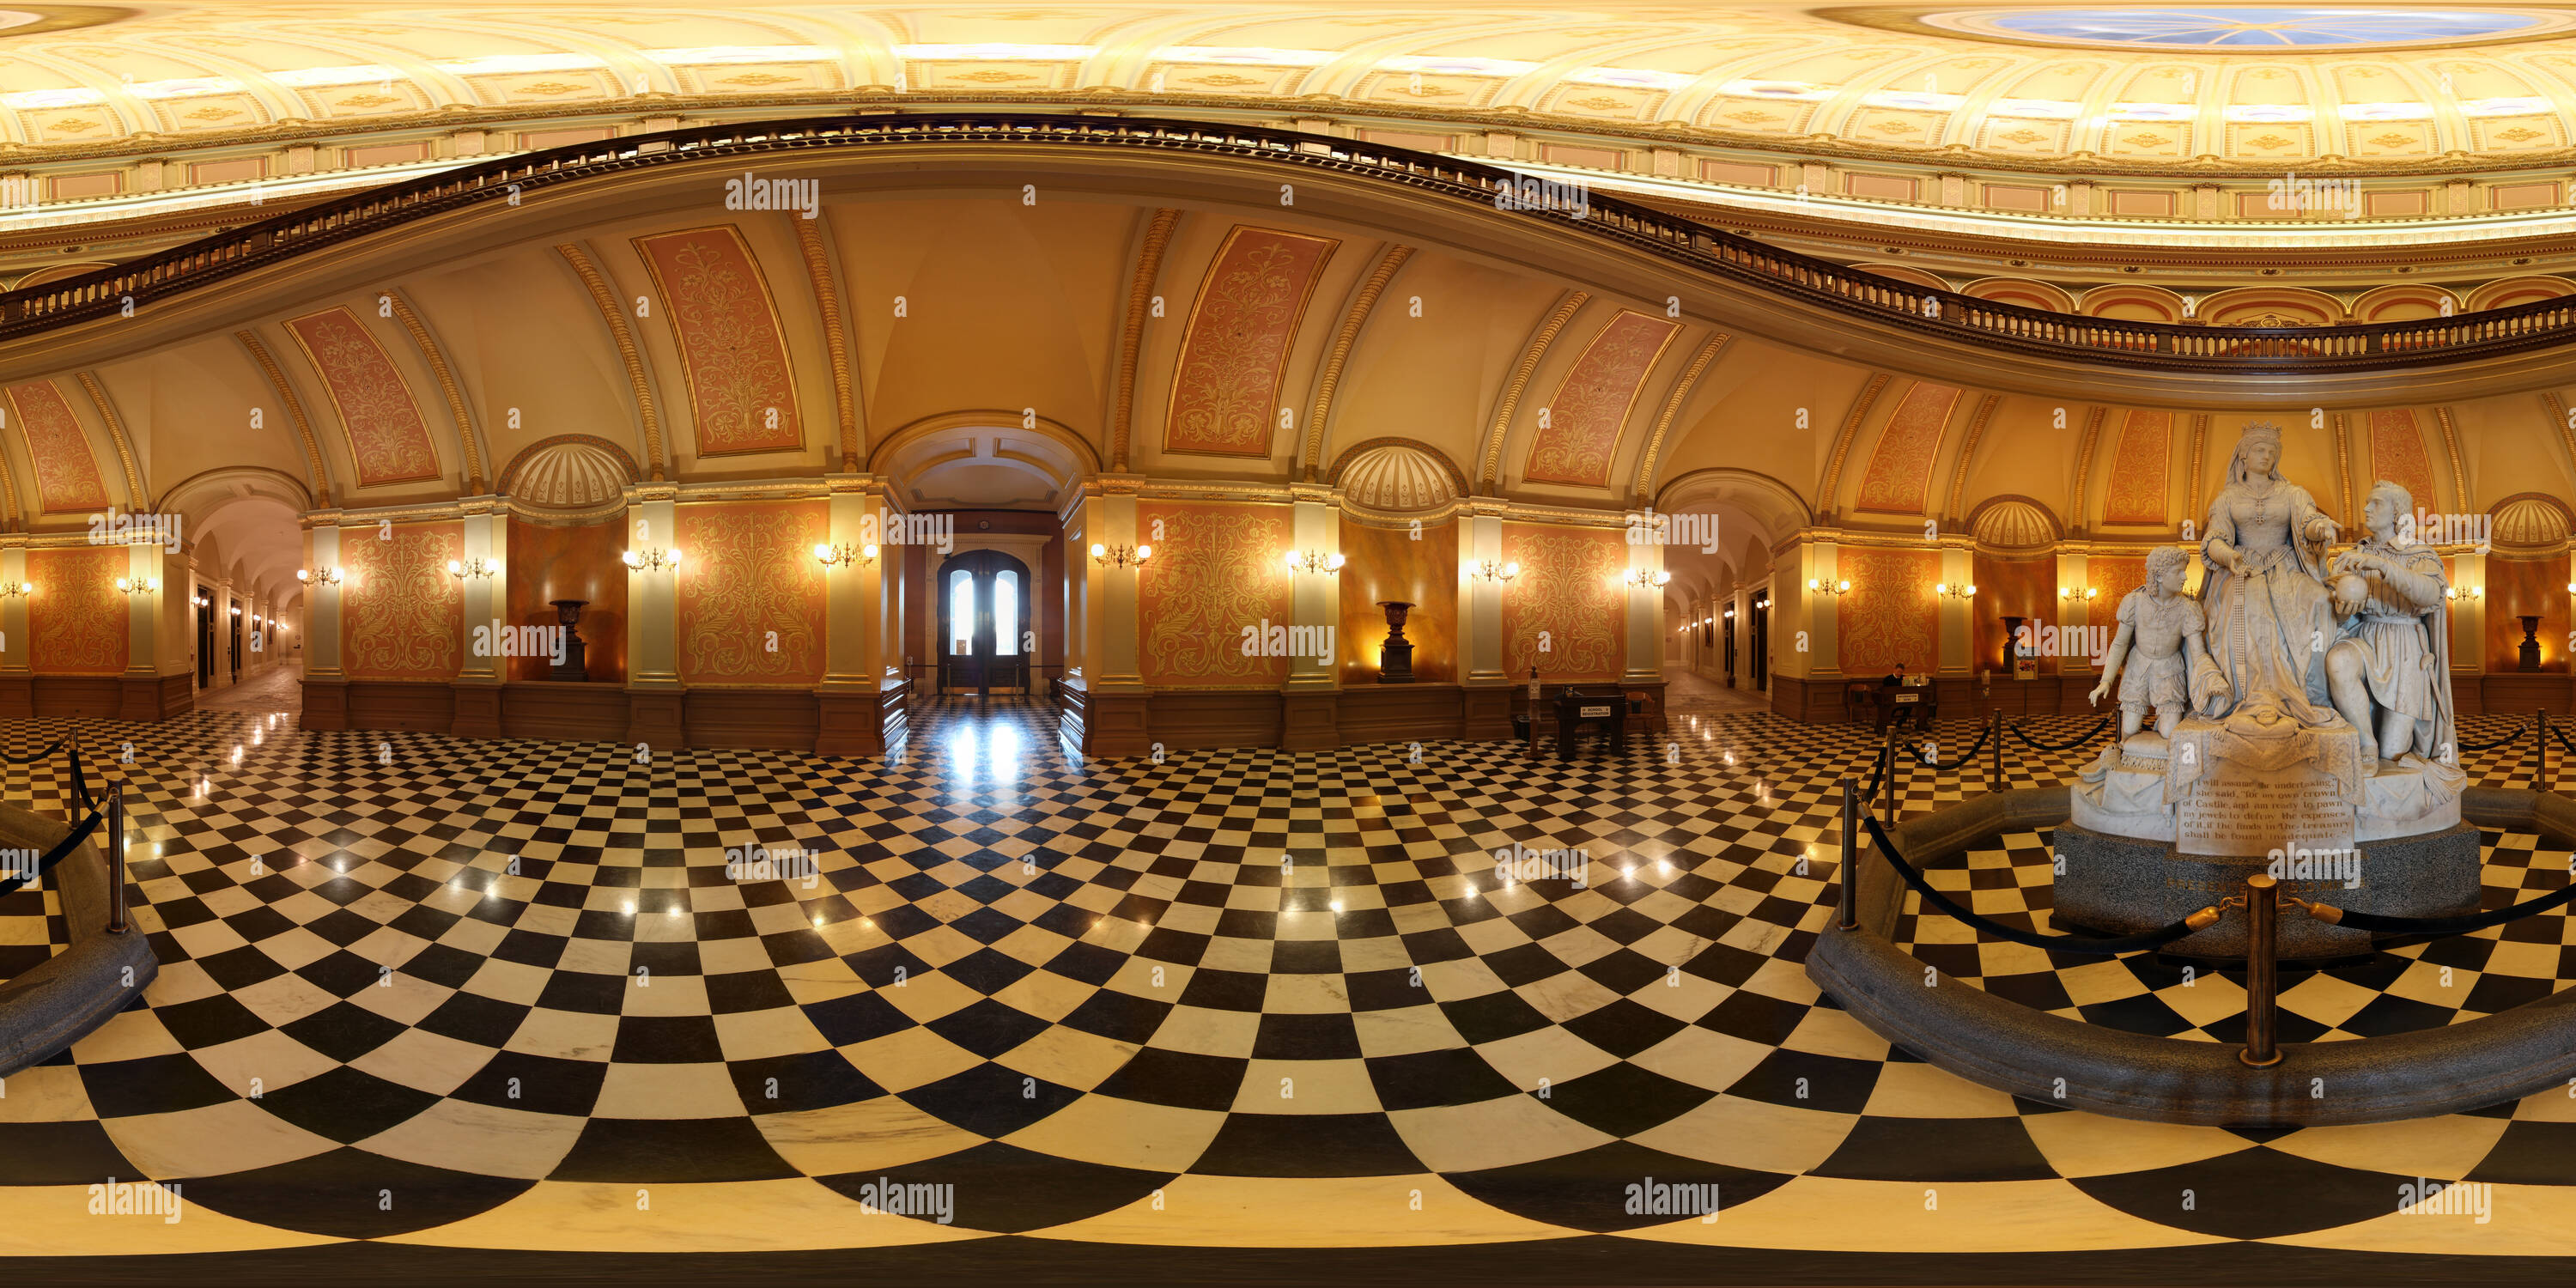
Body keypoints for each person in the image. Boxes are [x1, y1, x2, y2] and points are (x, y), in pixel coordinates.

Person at [2199, 421, 2340, 728]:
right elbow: (2214, 540)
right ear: (2243, 457)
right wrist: (2229, 555)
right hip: (2241, 568)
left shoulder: (2293, 493)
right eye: (2259, 450)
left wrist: (2321, 528)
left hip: (2285, 567)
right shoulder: (2227, 498)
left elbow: (2307, 522)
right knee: (2251, 605)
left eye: (2272, 452)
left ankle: (2312, 691)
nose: (2266, 456)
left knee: (2319, 599)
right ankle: (2258, 695)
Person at [2325, 480, 2454, 769]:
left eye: (2376, 503)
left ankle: (2384, 770)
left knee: (2392, 753)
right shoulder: (2354, 554)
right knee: (2339, 660)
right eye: (2367, 502)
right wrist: (2343, 612)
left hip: (2404, 645)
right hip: (2364, 636)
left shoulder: (2418, 552)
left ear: (2397, 512)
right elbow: (2335, 615)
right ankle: (2364, 742)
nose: (2366, 508)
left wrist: (2383, 566)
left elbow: (2430, 594)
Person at [2089, 545, 2230, 742]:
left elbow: (2198, 653)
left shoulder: (2188, 608)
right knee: (2128, 730)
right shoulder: (2135, 602)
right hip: (2138, 668)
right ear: (2160, 575)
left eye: (2185, 571)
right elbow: (2119, 644)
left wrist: (2212, 678)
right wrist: (2106, 680)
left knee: (2168, 733)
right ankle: (2130, 767)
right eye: (2178, 571)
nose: (2185, 577)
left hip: (2170, 670)